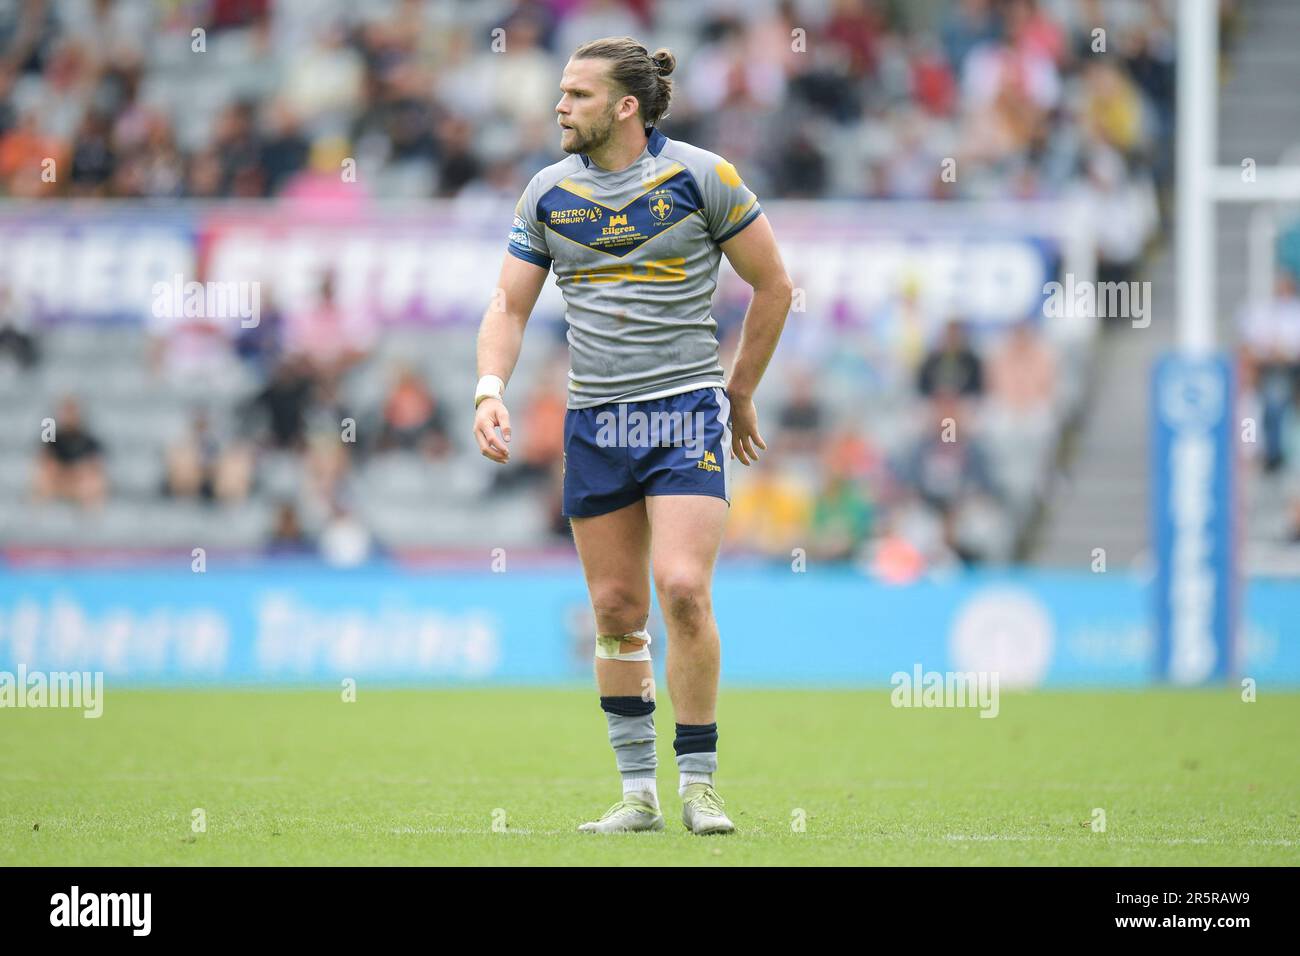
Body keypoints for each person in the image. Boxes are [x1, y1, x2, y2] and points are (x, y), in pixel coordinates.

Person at [472, 38, 792, 835]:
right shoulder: (547, 195)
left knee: (682, 589)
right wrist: (489, 390)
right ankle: (638, 793)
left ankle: (701, 783)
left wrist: (740, 390)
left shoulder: (701, 178)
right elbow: (508, 307)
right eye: (560, 93)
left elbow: (775, 284)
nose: (559, 106)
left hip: (682, 413)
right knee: (616, 610)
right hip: (595, 422)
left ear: (624, 107)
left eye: (577, 95)